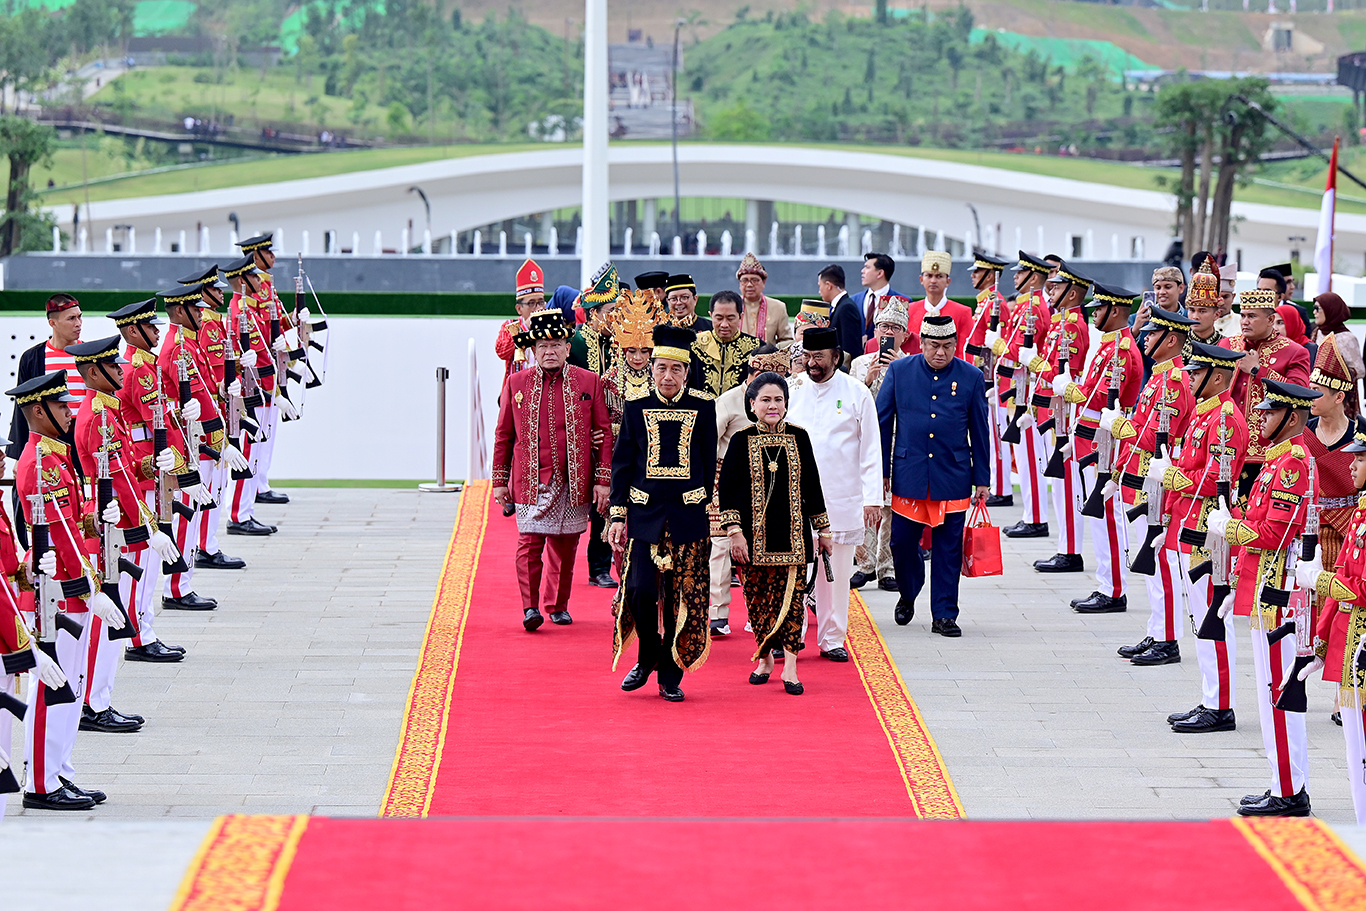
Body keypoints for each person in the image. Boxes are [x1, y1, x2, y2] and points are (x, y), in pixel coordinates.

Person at [13, 371, 126, 810]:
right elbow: (58, 538)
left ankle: (59, 772)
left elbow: (73, 524)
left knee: (71, 689)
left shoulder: (56, 458)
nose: (69, 411)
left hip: (72, 590)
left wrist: (98, 518)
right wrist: (92, 587)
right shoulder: (40, 461)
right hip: (56, 594)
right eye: (61, 406)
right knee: (53, 691)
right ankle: (41, 783)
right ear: (38, 411)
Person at [1208, 379, 1320, 817]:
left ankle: (1290, 790)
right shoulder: (1278, 462)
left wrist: (1227, 529)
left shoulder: (1293, 463)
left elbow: (1275, 533)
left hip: (1279, 593)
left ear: (1291, 417)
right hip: (1263, 587)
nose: (1261, 418)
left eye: (1270, 413)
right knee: (1270, 690)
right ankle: (1281, 783)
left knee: (1279, 692)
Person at [68, 336, 182, 734]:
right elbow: (117, 483)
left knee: (117, 618)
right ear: (94, 373)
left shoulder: (108, 412)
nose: (122, 370)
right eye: (113, 367)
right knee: (109, 621)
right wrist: (146, 529)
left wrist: (155, 463)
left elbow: (130, 468)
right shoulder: (98, 418)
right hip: (111, 530)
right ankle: (93, 704)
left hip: (118, 524)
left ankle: (97, 698)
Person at [609, 325, 717, 702]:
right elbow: (622, 463)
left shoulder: (704, 406)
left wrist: (706, 509)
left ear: (686, 373)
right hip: (644, 514)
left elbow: (706, 460)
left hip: (687, 517)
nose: (667, 377)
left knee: (677, 598)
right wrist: (617, 515)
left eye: (675, 369)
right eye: (661, 369)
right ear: (650, 370)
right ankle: (648, 654)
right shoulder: (636, 406)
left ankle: (670, 675)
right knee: (639, 592)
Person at [492, 309, 613, 631]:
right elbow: (504, 435)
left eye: (556, 344)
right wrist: (499, 482)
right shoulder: (516, 383)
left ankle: (557, 605)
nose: (549, 351)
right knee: (528, 544)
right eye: (543, 345)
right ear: (532, 350)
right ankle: (530, 607)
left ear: (567, 347)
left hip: (574, 480)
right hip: (530, 480)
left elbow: (604, 433)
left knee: (565, 546)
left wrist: (602, 482)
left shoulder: (590, 382)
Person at [1155, 341, 1247, 734]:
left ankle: (1220, 704)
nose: (1188, 378)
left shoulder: (1224, 418)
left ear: (1218, 376)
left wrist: (1172, 475)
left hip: (1207, 530)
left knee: (1212, 617)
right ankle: (1211, 696)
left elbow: (1215, 479)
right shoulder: (1204, 413)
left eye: (1196, 373)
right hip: (1188, 521)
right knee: (1199, 617)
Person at [877, 315, 990, 637]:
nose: (941, 353)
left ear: (956, 345)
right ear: (922, 344)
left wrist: (982, 479)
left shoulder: (970, 376)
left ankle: (944, 614)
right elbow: (882, 423)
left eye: (948, 346)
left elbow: (979, 431)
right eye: (934, 346)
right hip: (909, 472)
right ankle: (908, 591)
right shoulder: (900, 371)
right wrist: (882, 470)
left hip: (952, 473)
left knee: (948, 548)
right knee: (901, 542)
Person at [720, 373, 831, 695]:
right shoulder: (740, 439)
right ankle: (765, 658)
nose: (773, 406)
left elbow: (812, 485)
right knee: (758, 603)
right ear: (752, 404)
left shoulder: (799, 437)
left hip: (793, 538)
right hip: (752, 540)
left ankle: (792, 667)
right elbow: (728, 490)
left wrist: (823, 530)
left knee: (792, 602)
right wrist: (735, 533)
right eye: (766, 400)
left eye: (778, 399)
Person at [787, 326, 882, 661]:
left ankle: (832, 639)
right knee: (795, 570)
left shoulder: (857, 393)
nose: (812, 364)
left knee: (836, 573)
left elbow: (871, 449)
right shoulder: (791, 389)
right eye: (808, 357)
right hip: (794, 498)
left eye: (819, 358)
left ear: (836, 357)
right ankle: (790, 636)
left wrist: (873, 498)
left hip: (841, 497)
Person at [111, 297, 196, 662]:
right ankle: (139, 636)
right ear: (133, 330)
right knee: (143, 562)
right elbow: (156, 423)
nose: (158, 331)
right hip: (147, 469)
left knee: (148, 560)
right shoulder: (139, 370)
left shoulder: (140, 366)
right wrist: (182, 470)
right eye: (150, 326)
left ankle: (142, 630)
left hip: (150, 465)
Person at [1112, 306, 1196, 667]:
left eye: (1152, 333)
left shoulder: (1175, 380)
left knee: (1159, 560)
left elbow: (1160, 437)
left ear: (1171, 339)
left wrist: (1121, 428)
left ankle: (1168, 638)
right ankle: (1157, 627)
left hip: (1154, 484)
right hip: (1141, 478)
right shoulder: (1160, 377)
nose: (1144, 336)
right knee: (1149, 562)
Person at [1060, 283, 1143, 614]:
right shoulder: (1109, 346)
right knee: (1097, 514)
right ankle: (1106, 582)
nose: (1093, 313)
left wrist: (1069, 390)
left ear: (1117, 311)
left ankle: (1114, 588)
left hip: (1103, 442)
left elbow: (1100, 397)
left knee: (1107, 514)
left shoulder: (1121, 349)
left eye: (1100, 308)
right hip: (1090, 436)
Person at [1302, 423, 1366, 823]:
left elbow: (1357, 587)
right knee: (1355, 754)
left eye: (1361, 459)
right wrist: (1321, 645)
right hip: (1350, 642)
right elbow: (1343, 576)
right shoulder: (1360, 511)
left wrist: (1320, 580)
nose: (1353, 465)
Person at [157, 283, 231, 612]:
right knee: (187, 516)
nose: (202, 312)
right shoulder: (178, 348)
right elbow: (196, 395)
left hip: (198, 436)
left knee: (196, 512)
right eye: (195, 308)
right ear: (180, 311)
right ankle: (177, 587)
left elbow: (205, 389)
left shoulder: (187, 343)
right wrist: (218, 437)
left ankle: (182, 583)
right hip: (190, 440)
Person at [710, 347, 790, 636]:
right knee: (721, 545)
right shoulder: (729, 401)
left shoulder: (780, 401)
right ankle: (717, 613)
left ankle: (759, 612)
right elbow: (709, 444)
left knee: (763, 548)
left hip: (770, 483)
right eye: (760, 376)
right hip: (725, 479)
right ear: (751, 374)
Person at [1030, 260, 1092, 574]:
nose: (1051, 290)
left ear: (1072, 293)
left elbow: (1065, 374)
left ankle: (1070, 550)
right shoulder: (1061, 322)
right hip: (1054, 409)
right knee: (1059, 482)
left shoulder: (1071, 325)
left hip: (1065, 413)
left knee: (1067, 484)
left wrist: (1035, 363)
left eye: (1057, 285)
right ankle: (1065, 546)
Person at [1221, 288, 1311, 499]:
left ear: (1271, 319)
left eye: (1252, 316)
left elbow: (1300, 395)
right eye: (1242, 315)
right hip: (1223, 445)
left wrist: (1258, 370)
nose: (1244, 321)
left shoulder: (1294, 352)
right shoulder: (1227, 345)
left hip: (1265, 453)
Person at [993, 259, 1059, 540]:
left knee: (1030, 457)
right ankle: (1030, 515)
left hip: (1027, 391)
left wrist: (996, 345)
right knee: (1024, 455)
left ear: (1034, 277)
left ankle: (1036, 518)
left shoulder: (1034, 307)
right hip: (1016, 388)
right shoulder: (1025, 305)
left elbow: (1022, 350)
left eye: (1021, 272)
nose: (1016, 276)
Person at [850, 299, 910, 591]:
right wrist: (868, 380)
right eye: (884, 326)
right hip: (865, 442)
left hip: (899, 442)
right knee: (865, 502)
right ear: (875, 330)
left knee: (890, 506)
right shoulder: (860, 363)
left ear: (905, 335)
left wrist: (901, 371)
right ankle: (864, 564)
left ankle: (887, 567)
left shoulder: (911, 364)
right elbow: (852, 406)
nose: (889, 331)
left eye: (895, 328)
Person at [569, 263, 621, 590]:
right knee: (577, 504)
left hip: (616, 436)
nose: (615, 317)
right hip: (584, 434)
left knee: (607, 503)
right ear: (594, 312)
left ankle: (599, 568)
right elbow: (570, 390)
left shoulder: (622, 341)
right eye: (610, 311)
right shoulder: (577, 343)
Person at [6, 293, 85, 468]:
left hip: (82, 442)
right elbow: (22, 409)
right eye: (71, 318)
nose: (78, 323)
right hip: (46, 442)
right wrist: (20, 456)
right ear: (53, 323)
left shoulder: (89, 356)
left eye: (80, 316)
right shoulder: (32, 358)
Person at [963, 251, 1013, 507]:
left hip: (989, 381)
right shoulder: (984, 303)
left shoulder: (996, 304)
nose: (972, 276)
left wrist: (995, 383)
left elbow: (1000, 349)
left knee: (994, 435)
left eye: (977, 272)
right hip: (980, 379)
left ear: (991, 275)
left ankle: (1002, 489)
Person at [689, 290, 760, 399]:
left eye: (730, 318)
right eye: (719, 318)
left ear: (741, 316)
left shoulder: (756, 347)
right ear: (710, 315)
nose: (724, 324)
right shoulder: (694, 344)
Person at [905, 251, 973, 359]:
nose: (933, 280)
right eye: (929, 275)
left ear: (948, 281)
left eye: (939, 276)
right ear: (921, 279)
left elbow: (965, 352)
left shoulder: (962, 312)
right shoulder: (910, 310)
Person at [495, 259, 547, 384]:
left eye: (541, 302)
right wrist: (526, 327)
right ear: (519, 309)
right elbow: (502, 352)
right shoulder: (510, 325)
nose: (539, 308)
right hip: (517, 392)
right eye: (531, 303)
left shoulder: (551, 325)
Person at [735, 252, 792, 346]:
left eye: (754, 280)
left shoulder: (778, 307)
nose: (749, 285)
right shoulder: (732, 305)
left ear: (764, 282)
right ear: (739, 284)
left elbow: (787, 339)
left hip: (767, 358)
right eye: (744, 280)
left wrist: (772, 351)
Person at [817, 263, 864, 369]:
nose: (819, 291)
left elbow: (850, 347)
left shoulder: (846, 308)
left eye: (820, 286)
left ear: (828, 285)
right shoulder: (839, 306)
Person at [1313, 291, 1365, 383]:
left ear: (1330, 310)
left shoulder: (1347, 338)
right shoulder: (1317, 332)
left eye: (1317, 308)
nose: (1314, 312)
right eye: (1314, 308)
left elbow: (1360, 371)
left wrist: (1334, 373)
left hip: (1340, 392)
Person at [856, 252, 904, 338]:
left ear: (880, 273)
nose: (862, 271)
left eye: (867, 267)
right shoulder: (854, 300)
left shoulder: (902, 302)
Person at [1185, 259, 1223, 350]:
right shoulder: (1177, 344)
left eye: (1202, 311)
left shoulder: (1227, 345)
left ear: (1216, 315)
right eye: (1192, 310)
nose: (1195, 317)